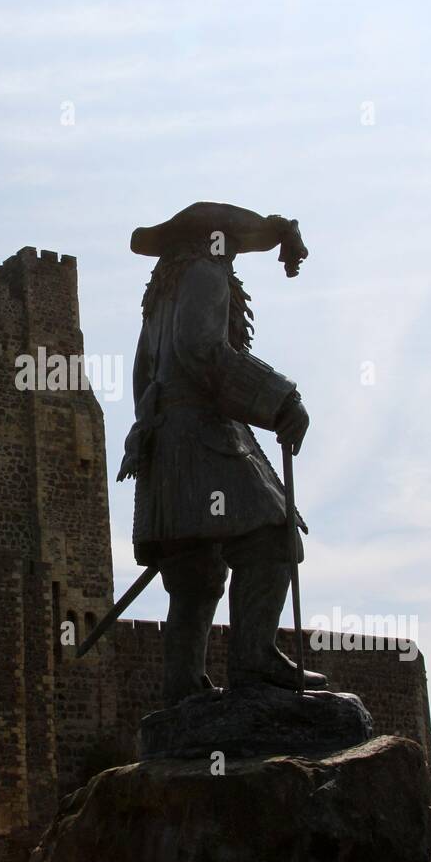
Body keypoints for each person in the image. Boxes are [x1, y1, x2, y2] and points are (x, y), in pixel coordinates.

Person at [117, 202, 328, 706]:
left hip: (166, 447)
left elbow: (143, 378)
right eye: (230, 242)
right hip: (203, 440)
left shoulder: (159, 300)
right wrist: (279, 399)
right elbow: (203, 352)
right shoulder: (206, 278)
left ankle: (183, 686)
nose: (234, 252)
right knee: (273, 536)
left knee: (196, 569)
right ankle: (253, 658)